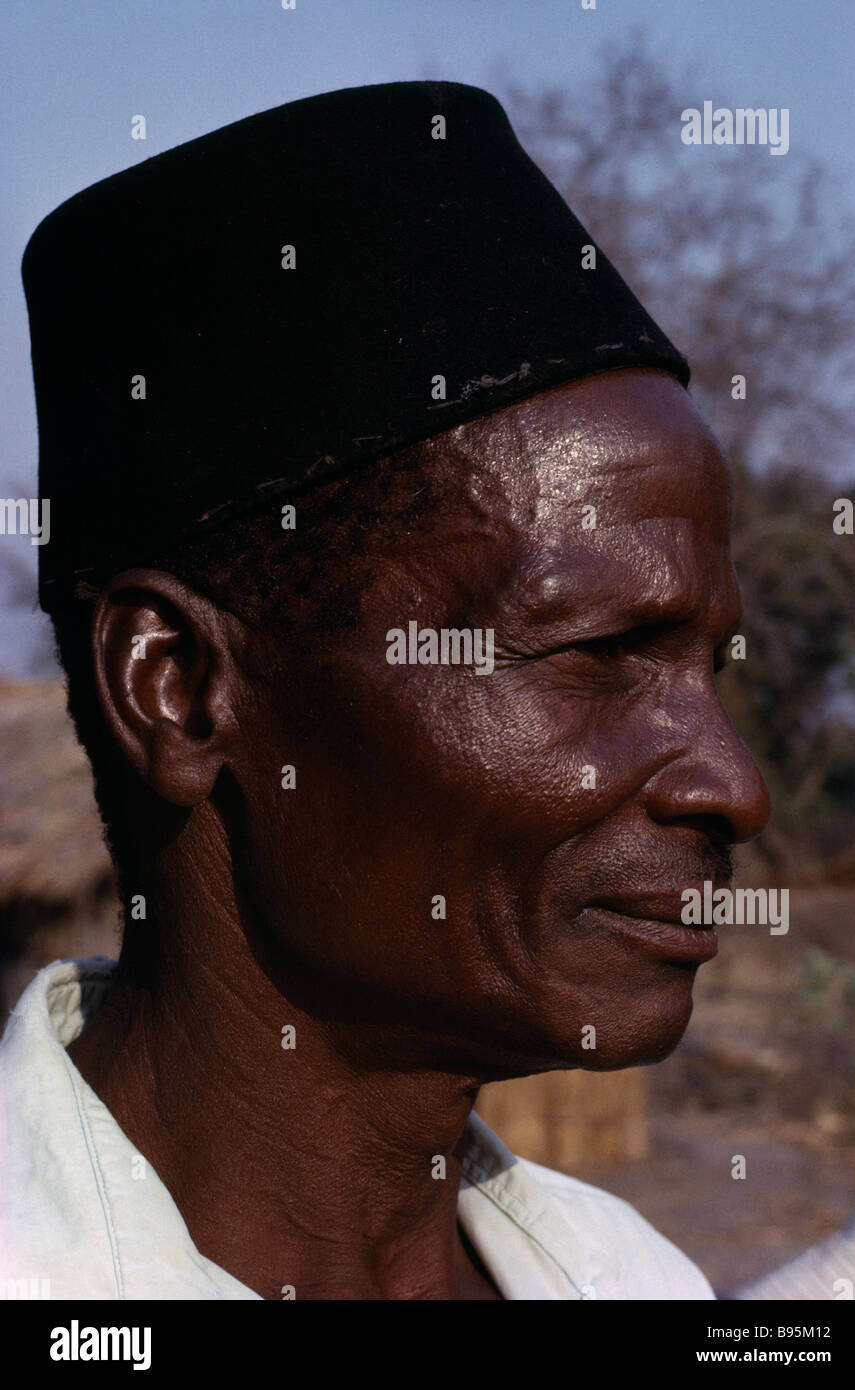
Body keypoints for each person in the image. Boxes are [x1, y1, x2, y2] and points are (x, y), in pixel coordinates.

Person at [0, 81, 769, 1300]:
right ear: (180, 686)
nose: (732, 785)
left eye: (708, 667)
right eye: (590, 652)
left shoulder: (623, 1274)